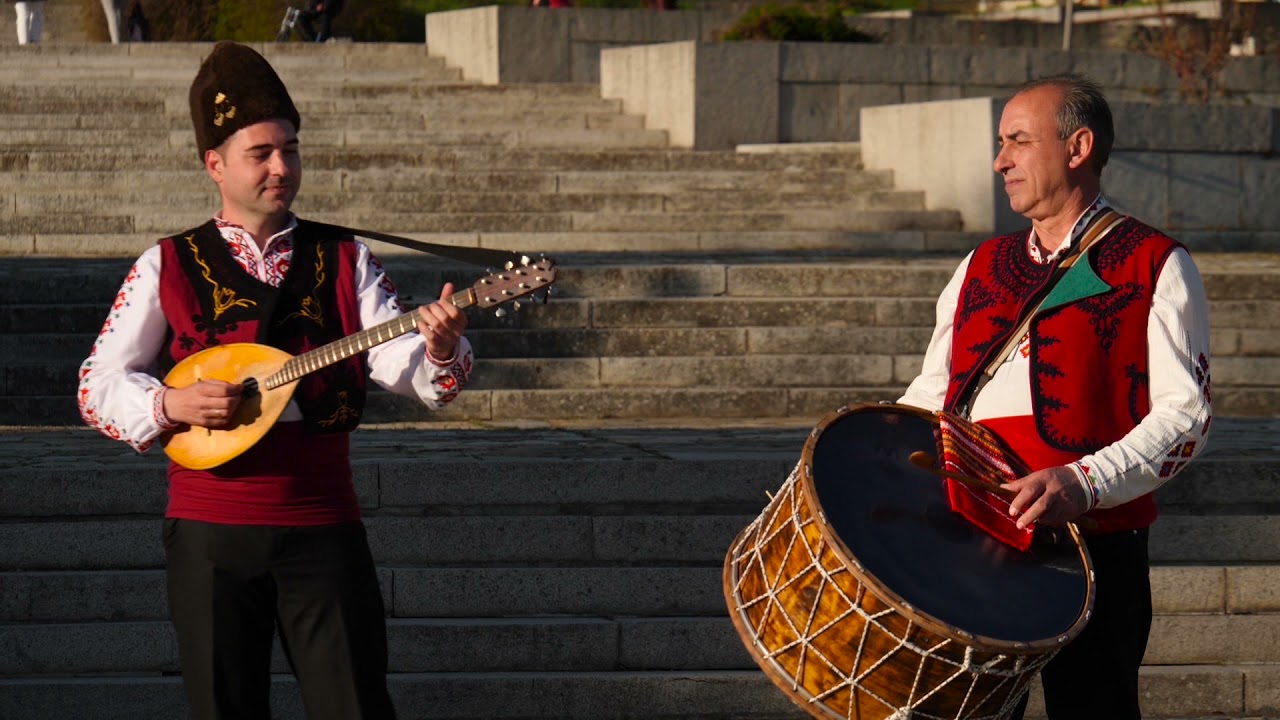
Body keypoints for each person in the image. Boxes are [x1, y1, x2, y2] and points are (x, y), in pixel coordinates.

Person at [76, 41, 473, 719]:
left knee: (354, 705)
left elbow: (402, 368)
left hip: (323, 523)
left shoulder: (344, 257)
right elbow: (97, 383)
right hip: (209, 530)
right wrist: (169, 400)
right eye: (260, 153)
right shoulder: (166, 263)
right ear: (214, 165)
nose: (281, 167)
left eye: (289, 149)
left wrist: (440, 346)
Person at [896, 73, 1211, 718]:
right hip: (973, 534)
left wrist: (1083, 482)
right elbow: (933, 394)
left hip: (1095, 545)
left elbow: (1187, 416)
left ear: (1077, 147)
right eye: (999, 142)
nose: (999, 160)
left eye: (1017, 140)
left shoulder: (1155, 261)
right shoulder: (978, 265)